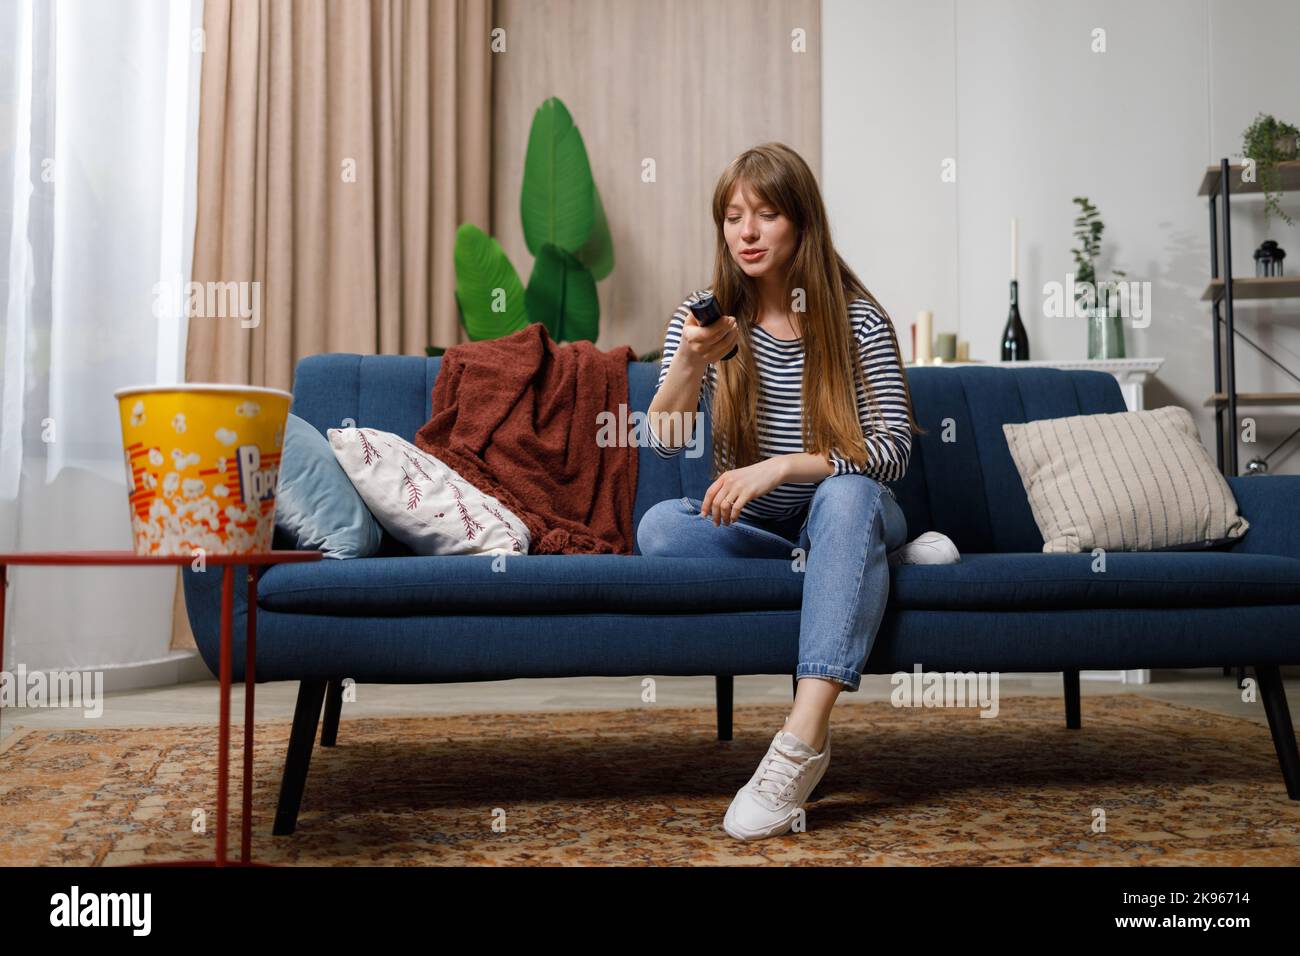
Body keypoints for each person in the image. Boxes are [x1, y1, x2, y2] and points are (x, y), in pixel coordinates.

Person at [636, 141, 924, 841]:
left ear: (802, 224)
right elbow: (665, 442)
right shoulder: (706, 323)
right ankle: (855, 571)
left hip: (847, 505)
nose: (747, 232)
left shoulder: (857, 319)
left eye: (766, 214)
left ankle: (801, 742)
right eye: (734, 216)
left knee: (848, 500)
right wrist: (685, 363)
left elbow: (892, 452)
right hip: (764, 535)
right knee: (661, 529)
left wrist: (784, 466)